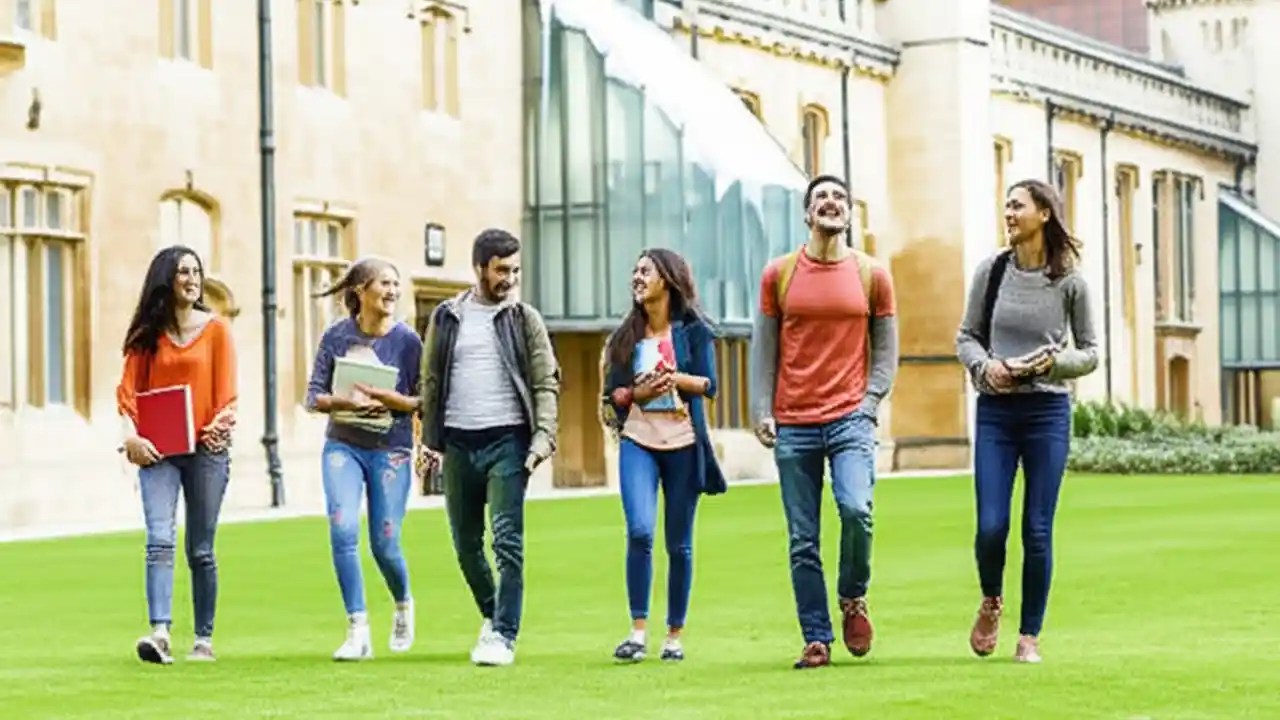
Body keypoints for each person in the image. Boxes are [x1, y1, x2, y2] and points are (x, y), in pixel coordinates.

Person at [749, 174, 899, 669]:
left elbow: (886, 350)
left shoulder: (872, 275)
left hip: (851, 417)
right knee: (802, 538)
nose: (830, 204)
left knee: (857, 509)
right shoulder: (780, 274)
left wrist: (871, 401)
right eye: (821, 199)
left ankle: (853, 596)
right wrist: (760, 409)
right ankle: (816, 637)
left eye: (839, 197)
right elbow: (764, 348)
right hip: (794, 422)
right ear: (807, 215)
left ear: (850, 214)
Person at [955, 179, 1097, 664]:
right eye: (1007, 206)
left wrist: (1049, 365)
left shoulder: (1071, 282)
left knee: (1037, 528)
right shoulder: (991, 272)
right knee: (991, 526)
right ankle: (991, 599)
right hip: (996, 411)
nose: (1009, 213)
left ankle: (1029, 635)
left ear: (1043, 214)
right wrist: (983, 367)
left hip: (1047, 412)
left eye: (1017, 206)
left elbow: (1091, 353)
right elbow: (966, 336)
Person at [418, 229, 560, 667]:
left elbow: (545, 382)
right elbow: (430, 381)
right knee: (465, 544)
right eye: (502, 270)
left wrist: (542, 439)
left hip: (508, 442)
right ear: (479, 267)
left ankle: (504, 635)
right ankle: (491, 613)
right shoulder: (445, 316)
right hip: (459, 442)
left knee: (507, 542)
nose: (510, 278)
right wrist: (427, 439)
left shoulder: (525, 319)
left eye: (515, 269)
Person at [599, 249, 725, 664]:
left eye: (645, 271)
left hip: (684, 445)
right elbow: (611, 398)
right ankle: (637, 633)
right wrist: (638, 393)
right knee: (639, 531)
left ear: (667, 281)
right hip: (638, 440)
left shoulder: (694, 332)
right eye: (634, 270)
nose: (636, 277)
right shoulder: (624, 337)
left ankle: (674, 635)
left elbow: (710, 385)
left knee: (680, 545)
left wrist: (675, 379)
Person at [116, 245, 238, 665]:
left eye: (196, 271)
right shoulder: (145, 336)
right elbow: (127, 395)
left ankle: (204, 639)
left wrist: (223, 422)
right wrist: (130, 437)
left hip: (207, 451)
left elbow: (228, 396)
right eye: (183, 271)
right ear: (165, 280)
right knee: (159, 539)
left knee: (201, 549)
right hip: (159, 450)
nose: (191, 278)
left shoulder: (218, 331)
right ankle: (160, 633)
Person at [305, 257, 423, 661]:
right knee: (342, 531)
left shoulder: (408, 342)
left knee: (386, 545)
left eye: (396, 284)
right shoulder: (336, 337)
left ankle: (403, 603)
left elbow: (424, 399)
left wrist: (393, 401)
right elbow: (313, 395)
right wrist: (344, 401)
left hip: (392, 450)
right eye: (383, 283)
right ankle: (357, 629)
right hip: (344, 445)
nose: (391, 291)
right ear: (360, 291)